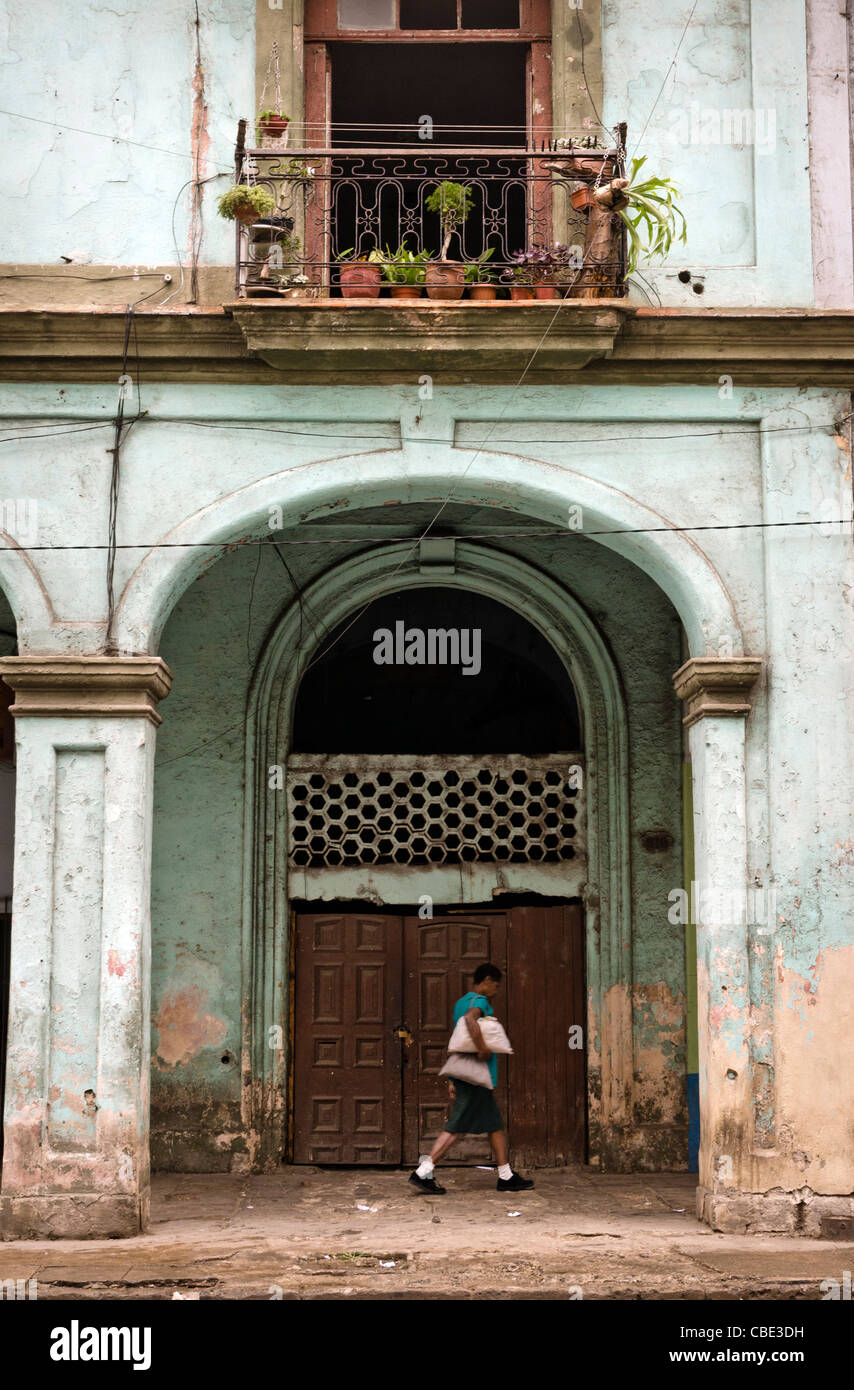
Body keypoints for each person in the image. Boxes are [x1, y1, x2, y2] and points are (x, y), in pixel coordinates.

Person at [408, 962, 534, 1195]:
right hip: (476, 1077)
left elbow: (457, 1040)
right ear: (486, 981)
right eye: (495, 985)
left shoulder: (460, 1002)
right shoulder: (479, 1003)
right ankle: (423, 1172)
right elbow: (469, 1021)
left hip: (469, 1076)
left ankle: (506, 1175)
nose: (496, 990)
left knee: (494, 1125)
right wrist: (483, 1048)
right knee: (456, 1126)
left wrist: (452, 1079)